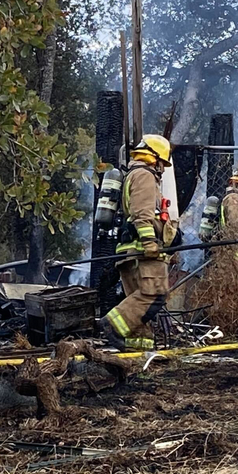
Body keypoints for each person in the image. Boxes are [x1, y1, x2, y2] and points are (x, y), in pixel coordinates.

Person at [100, 135, 176, 350]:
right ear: (155, 158)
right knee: (155, 294)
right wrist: (151, 243)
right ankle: (112, 325)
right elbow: (142, 214)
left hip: (131, 250)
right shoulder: (144, 175)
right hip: (143, 251)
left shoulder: (133, 174)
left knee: (140, 313)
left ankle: (137, 352)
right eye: (162, 163)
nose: (162, 169)